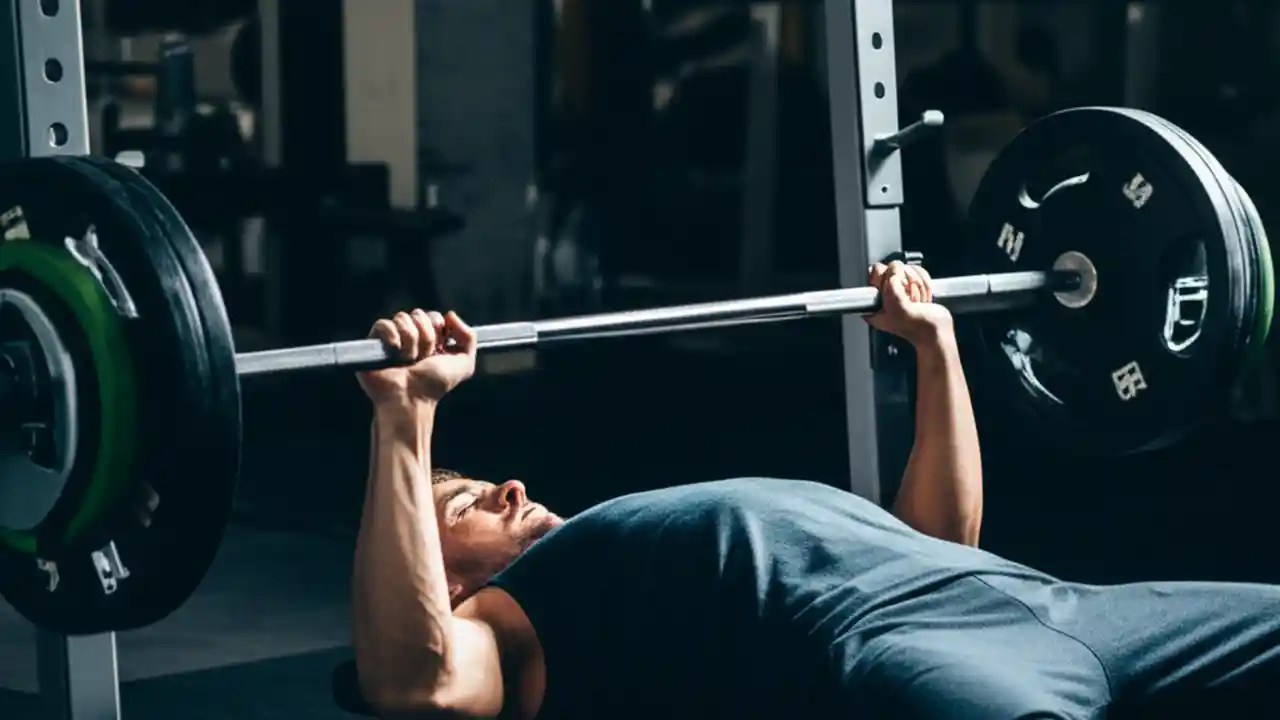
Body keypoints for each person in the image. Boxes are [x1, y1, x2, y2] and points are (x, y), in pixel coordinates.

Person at [350, 261, 1280, 719]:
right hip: (913, 656)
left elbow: (938, 537)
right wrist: (407, 414)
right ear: (445, 590)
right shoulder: (507, 634)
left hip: (1059, 602)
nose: (509, 486)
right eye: (466, 503)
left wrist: (935, 346)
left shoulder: (620, 535)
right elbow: (414, 681)